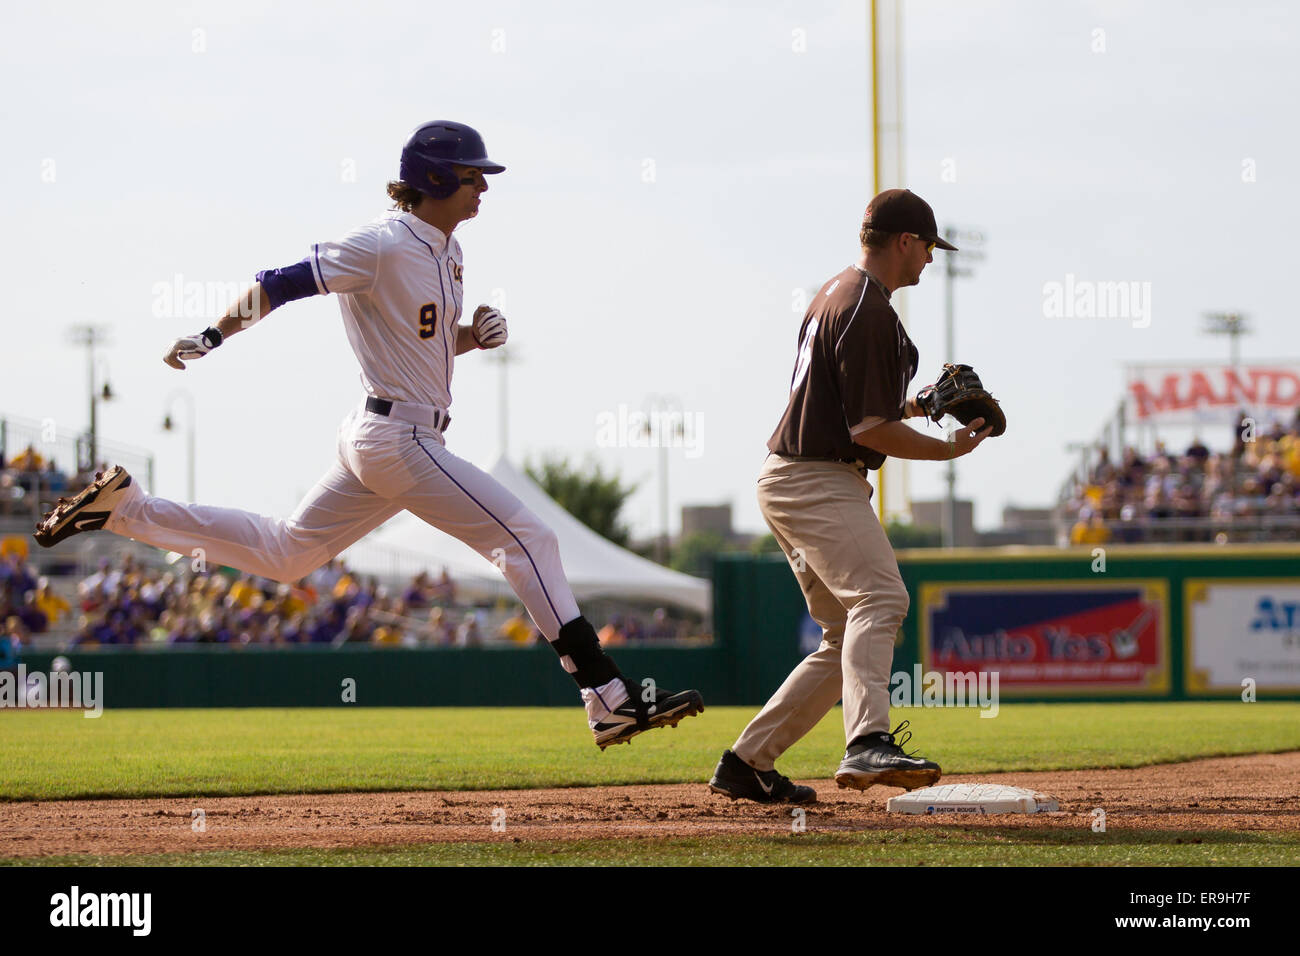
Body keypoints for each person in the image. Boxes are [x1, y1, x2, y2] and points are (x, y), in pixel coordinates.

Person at [33, 120, 702, 749]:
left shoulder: (451, 251)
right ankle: (607, 693)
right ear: (437, 180)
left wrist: (472, 338)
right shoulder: (381, 243)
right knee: (530, 537)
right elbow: (280, 283)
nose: (484, 187)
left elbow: (421, 348)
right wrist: (214, 333)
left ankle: (124, 510)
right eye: (473, 176)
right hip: (397, 438)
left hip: (391, 433)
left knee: (287, 555)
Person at [708, 189, 992, 804]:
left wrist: (926, 405)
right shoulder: (868, 309)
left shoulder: (840, 293)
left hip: (794, 476)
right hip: (818, 478)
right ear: (905, 241)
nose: (930, 261)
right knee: (881, 597)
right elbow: (871, 431)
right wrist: (948, 450)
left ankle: (747, 762)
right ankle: (867, 741)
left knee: (842, 634)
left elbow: (859, 411)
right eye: (927, 249)